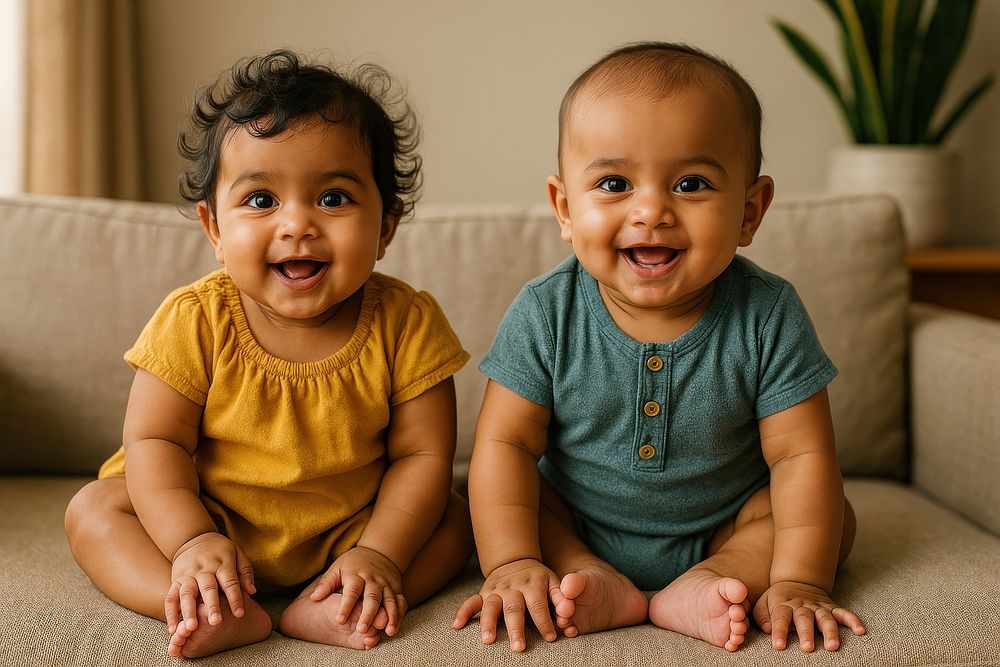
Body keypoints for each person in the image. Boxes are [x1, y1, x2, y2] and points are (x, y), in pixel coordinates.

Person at [453, 42, 866, 654]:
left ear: (749, 211)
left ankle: (711, 581)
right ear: (565, 209)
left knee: (831, 517)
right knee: (496, 496)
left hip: (724, 524)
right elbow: (506, 443)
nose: (651, 211)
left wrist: (801, 581)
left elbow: (800, 455)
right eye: (615, 184)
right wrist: (511, 562)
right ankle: (586, 575)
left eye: (690, 184)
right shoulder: (546, 312)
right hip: (576, 521)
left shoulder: (768, 314)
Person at [64, 50, 473, 659]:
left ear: (386, 227)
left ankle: (343, 602)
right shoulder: (195, 319)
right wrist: (189, 541)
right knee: (94, 510)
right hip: (210, 517)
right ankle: (200, 605)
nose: (297, 223)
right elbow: (155, 442)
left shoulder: (408, 323)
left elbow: (423, 456)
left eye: (333, 198)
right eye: (261, 200)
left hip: (352, 529)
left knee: (454, 519)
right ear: (214, 229)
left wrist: (380, 552)